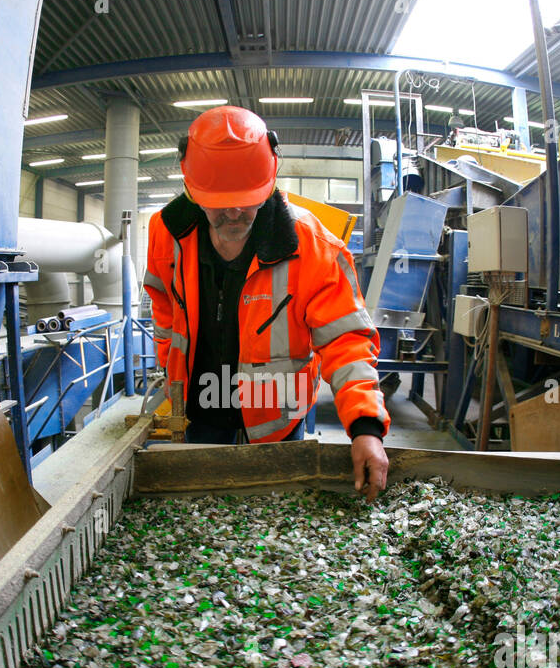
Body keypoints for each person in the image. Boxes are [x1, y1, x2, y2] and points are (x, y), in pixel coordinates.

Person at [141, 105, 390, 503]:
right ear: (193, 190)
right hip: (198, 413)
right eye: (220, 204)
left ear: (269, 181)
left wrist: (365, 427)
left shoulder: (313, 247)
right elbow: (164, 310)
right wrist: (173, 377)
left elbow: (347, 342)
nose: (235, 212)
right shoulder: (166, 233)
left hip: (277, 424)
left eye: (246, 199)